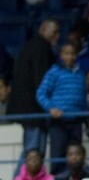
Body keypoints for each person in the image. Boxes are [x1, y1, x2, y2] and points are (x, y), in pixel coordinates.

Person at [6, 19, 60, 158]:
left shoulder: (31, 46)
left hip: (29, 108)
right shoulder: (41, 48)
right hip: (33, 109)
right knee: (32, 153)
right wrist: (47, 104)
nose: (57, 36)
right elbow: (41, 80)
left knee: (35, 153)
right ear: (43, 30)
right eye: (54, 32)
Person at [36, 41, 86, 171]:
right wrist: (51, 109)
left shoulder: (80, 73)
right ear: (61, 55)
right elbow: (41, 93)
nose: (70, 57)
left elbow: (83, 97)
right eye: (66, 53)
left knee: (76, 157)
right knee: (58, 156)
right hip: (58, 121)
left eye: (72, 54)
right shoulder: (54, 71)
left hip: (76, 121)